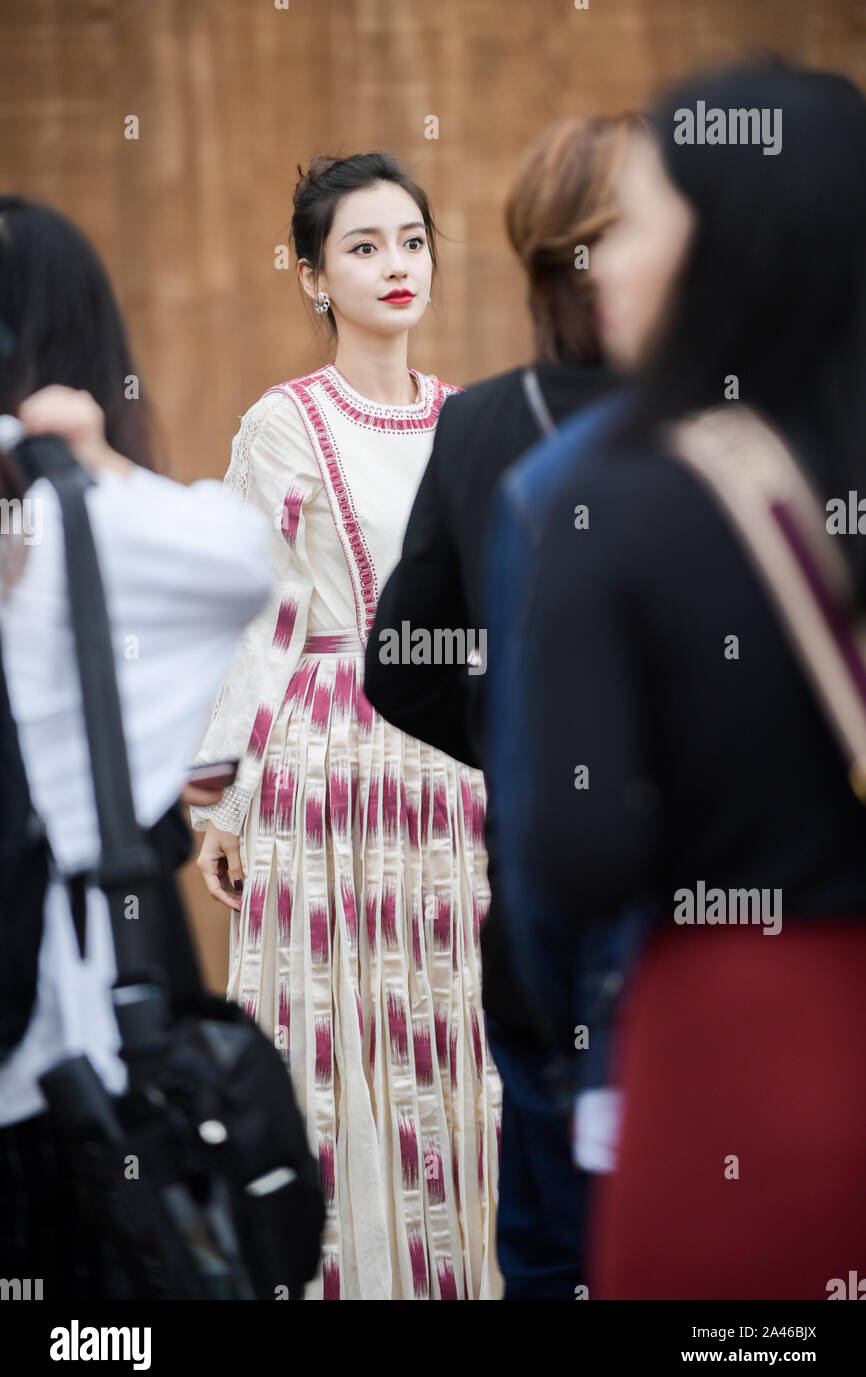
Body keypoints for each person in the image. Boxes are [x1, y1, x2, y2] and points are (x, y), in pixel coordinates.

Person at [486, 59, 866, 1298]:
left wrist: (563, 1052)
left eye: (636, 219)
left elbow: (571, 853)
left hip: (737, 1055)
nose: (603, 262)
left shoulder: (612, 500)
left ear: (725, 241)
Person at [191, 153, 502, 1300]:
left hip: (450, 771)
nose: (393, 265)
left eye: (410, 240)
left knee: (451, 1043)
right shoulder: (282, 426)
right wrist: (223, 798)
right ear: (315, 277)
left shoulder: (472, 421)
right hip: (323, 776)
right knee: (330, 1060)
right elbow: (254, 620)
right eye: (362, 246)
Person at [363, 115, 630, 1299]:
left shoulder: (478, 424)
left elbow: (400, 663)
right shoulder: (752, 422)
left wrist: (519, 744)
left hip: (533, 922)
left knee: (546, 1240)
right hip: (730, 933)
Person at [0, 204, 273, 1297]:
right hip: (58, 1056)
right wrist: (91, 466)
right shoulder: (101, 526)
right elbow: (240, 558)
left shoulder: (71, 532)